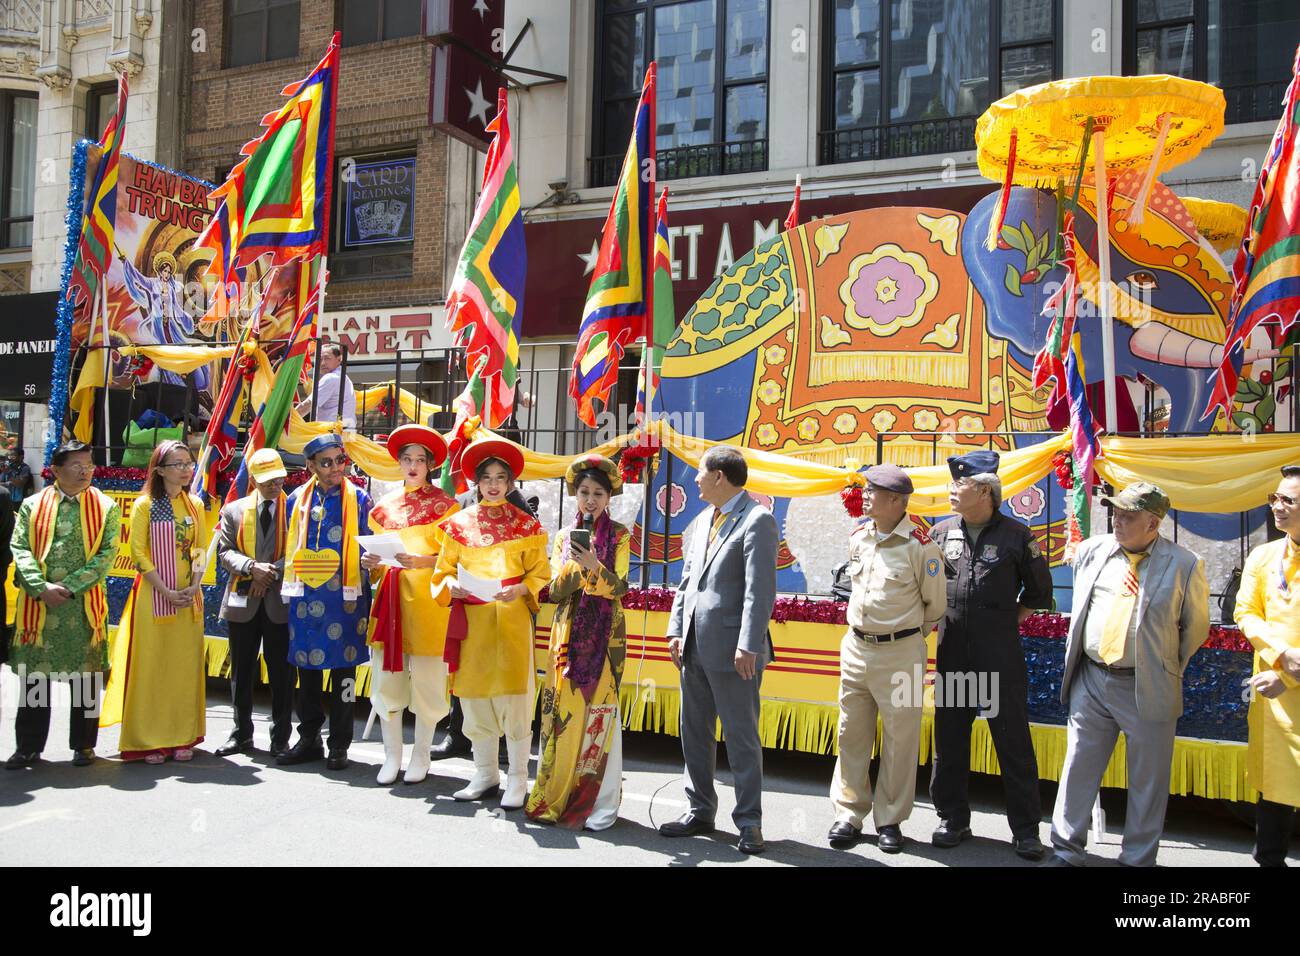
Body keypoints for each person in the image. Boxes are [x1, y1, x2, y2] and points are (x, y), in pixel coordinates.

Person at [1046, 482, 1208, 867]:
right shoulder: (1093, 551)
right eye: (1115, 512)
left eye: (1128, 516)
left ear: (1153, 524)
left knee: (1147, 781)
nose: (1117, 520)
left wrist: (1165, 666)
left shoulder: (1184, 564)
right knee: (1078, 766)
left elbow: (1196, 627)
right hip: (1092, 677)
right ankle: (1066, 848)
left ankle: (1137, 859)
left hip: (1147, 683)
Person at [928, 449, 1053, 860]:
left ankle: (1026, 829)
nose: (950, 491)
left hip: (998, 654)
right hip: (953, 651)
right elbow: (927, 590)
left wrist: (1000, 626)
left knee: (1012, 740)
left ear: (984, 491)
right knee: (950, 738)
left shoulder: (1018, 535)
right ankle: (952, 818)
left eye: (959, 485)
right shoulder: (942, 532)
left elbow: (1037, 595)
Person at [660, 446, 778, 855]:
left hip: (734, 652)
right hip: (692, 646)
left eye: (701, 473)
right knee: (693, 733)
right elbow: (686, 583)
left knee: (741, 737)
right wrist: (676, 629)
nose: (695, 480)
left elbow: (759, 591)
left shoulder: (758, 520)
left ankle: (749, 821)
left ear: (720, 478)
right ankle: (700, 810)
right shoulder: (703, 519)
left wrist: (748, 643)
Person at [828, 463, 944, 854]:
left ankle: (890, 819)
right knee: (850, 733)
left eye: (873, 492)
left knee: (900, 739)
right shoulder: (860, 536)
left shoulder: (922, 546)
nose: (865, 496)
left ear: (895, 500)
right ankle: (848, 812)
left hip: (901, 652)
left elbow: (935, 606)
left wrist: (903, 635)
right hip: (856, 647)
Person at [430, 437, 549, 809]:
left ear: (511, 483)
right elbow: (442, 572)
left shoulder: (526, 525)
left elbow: (540, 574)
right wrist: (452, 586)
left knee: (514, 701)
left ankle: (516, 778)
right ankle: (484, 773)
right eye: (487, 478)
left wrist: (523, 590)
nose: (494, 484)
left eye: (501, 477)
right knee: (475, 698)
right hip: (474, 622)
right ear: (477, 483)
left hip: (512, 621)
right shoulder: (457, 525)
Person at [526, 454, 630, 830]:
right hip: (567, 637)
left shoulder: (620, 535)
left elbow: (620, 588)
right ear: (575, 495)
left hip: (605, 640)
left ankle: (598, 803)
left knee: (599, 715)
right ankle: (556, 794)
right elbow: (552, 591)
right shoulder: (562, 538)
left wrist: (595, 568)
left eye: (598, 493)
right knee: (563, 716)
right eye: (584, 492)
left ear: (608, 498)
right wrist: (576, 566)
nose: (590, 500)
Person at [5, 441, 117, 769]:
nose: (85, 471)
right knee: (35, 681)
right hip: (38, 608)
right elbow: (20, 548)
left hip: (82, 606)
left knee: (85, 681)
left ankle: (83, 745)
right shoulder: (32, 505)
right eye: (77, 465)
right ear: (56, 470)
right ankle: (28, 747)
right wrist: (40, 588)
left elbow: (107, 554)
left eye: (89, 465)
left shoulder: (106, 507)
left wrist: (67, 587)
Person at [361, 425, 458, 785]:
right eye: (407, 459)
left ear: (431, 464)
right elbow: (373, 558)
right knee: (387, 679)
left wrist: (426, 562)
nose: (414, 465)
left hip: (429, 607)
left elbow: (456, 561)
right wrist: (371, 565)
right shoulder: (382, 508)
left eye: (420, 459)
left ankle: (421, 755)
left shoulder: (447, 508)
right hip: (390, 603)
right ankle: (392, 756)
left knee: (429, 682)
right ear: (398, 463)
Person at [100, 440, 208, 763]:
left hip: (188, 599)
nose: (187, 470)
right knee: (152, 666)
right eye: (178, 464)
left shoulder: (195, 506)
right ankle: (149, 739)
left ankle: (181, 736)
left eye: (188, 463)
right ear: (160, 470)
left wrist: (193, 585)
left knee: (183, 668)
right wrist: (166, 591)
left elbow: (201, 549)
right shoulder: (146, 505)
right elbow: (138, 553)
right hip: (154, 597)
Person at [278, 433, 372, 771]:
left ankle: (340, 744)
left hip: (346, 602)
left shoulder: (360, 499)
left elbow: (371, 544)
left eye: (340, 460)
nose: (335, 468)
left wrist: (371, 561)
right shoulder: (295, 501)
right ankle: (309, 739)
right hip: (305, 601)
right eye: (326, 462)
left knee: (344, 675)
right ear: (310, 466)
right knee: (308, 673)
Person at [1234, 465, 1300, 867]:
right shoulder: (1264, 555)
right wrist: (1280, 655)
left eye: (1288, 500)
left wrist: (1288, 676)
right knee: (1274, 789)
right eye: (1274, 498)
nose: (1277, 507)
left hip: (1284, 684)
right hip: (1275, 703)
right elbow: (1246, 611)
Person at [214, 448, 294, 758]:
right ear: (254, 481)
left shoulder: (295, 509)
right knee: (242, 671)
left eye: (278, 478)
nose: (274, 485)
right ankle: (241, 734)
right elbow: (225, 552)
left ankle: (280, 737)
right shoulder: (234, 510)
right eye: (267, 480)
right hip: (242, 602)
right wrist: (252, 568)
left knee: (282, 674)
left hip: (280, 603)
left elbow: (301, 549)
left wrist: (270, 572)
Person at [120, 251, 206, 389]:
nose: (166, 274)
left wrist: (187, 321)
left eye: (168, 271)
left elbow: (176, 307)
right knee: (164, 350)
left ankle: (185, 374)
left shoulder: (171, 287)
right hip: (158, 323)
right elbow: (138, 277)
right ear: (159, 271)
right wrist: (126, 263)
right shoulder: (152, 283)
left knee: (181, 345)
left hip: (170, 325)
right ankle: (172, 379)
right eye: (164, 271)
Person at [295, 343, 356, 429]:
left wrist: (287, 420)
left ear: (339, 359)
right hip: (346, 432)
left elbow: (308, 405)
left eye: (327, 358)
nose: (323, 363)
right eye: (320, 359)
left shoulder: (331, 378)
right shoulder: (343, 377)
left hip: (333, 434)